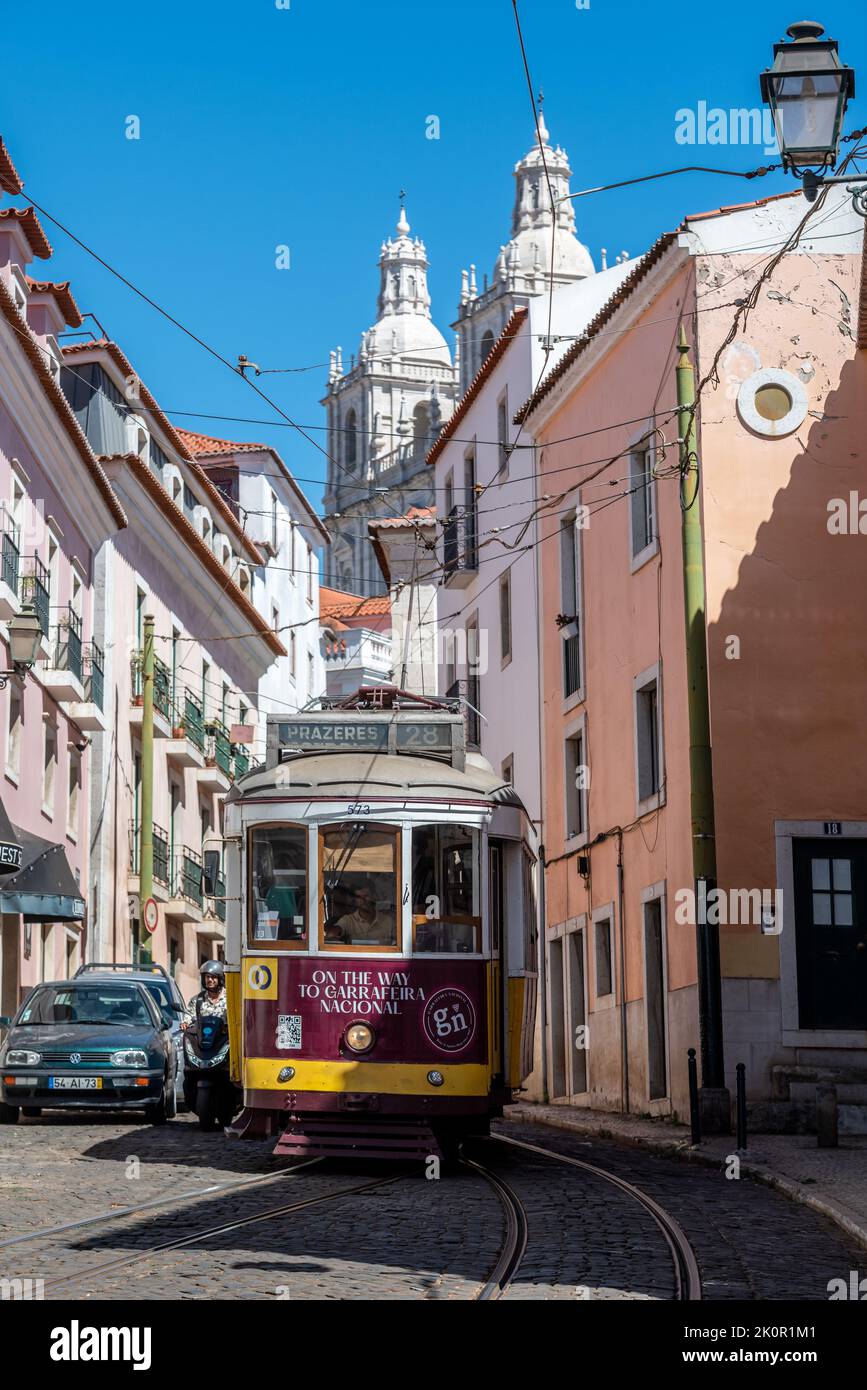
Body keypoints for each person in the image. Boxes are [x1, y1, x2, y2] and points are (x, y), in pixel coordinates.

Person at [336, 878, 394, 945]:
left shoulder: (388, 921)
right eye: (359, 897)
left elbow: (400, 943)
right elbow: (333, 933)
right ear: (355, 900)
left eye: (366, 896)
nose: (363, 900)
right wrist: (334, 932)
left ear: (374, 896)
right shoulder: (348, 920)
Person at [182, 960, 227, 1030]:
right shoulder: (197, 1000)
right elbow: (189, 1016)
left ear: (220, 979)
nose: (209, 980)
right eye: (207, 977)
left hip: (225, 1039)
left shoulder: (230, 998)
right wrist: (185, 1023)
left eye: (213, 977)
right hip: (203, 1038)